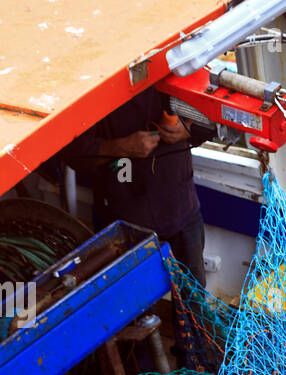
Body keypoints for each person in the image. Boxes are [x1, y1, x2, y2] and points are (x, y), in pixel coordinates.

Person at [62, 88, 207, 287]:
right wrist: (120, 147)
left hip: (181, 209)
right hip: (124, 222)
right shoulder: (90, 87)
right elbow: (72, 153)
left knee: (194, 299)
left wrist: (187, 129)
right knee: (132, 304)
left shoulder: (172, 65)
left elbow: (213, 118)